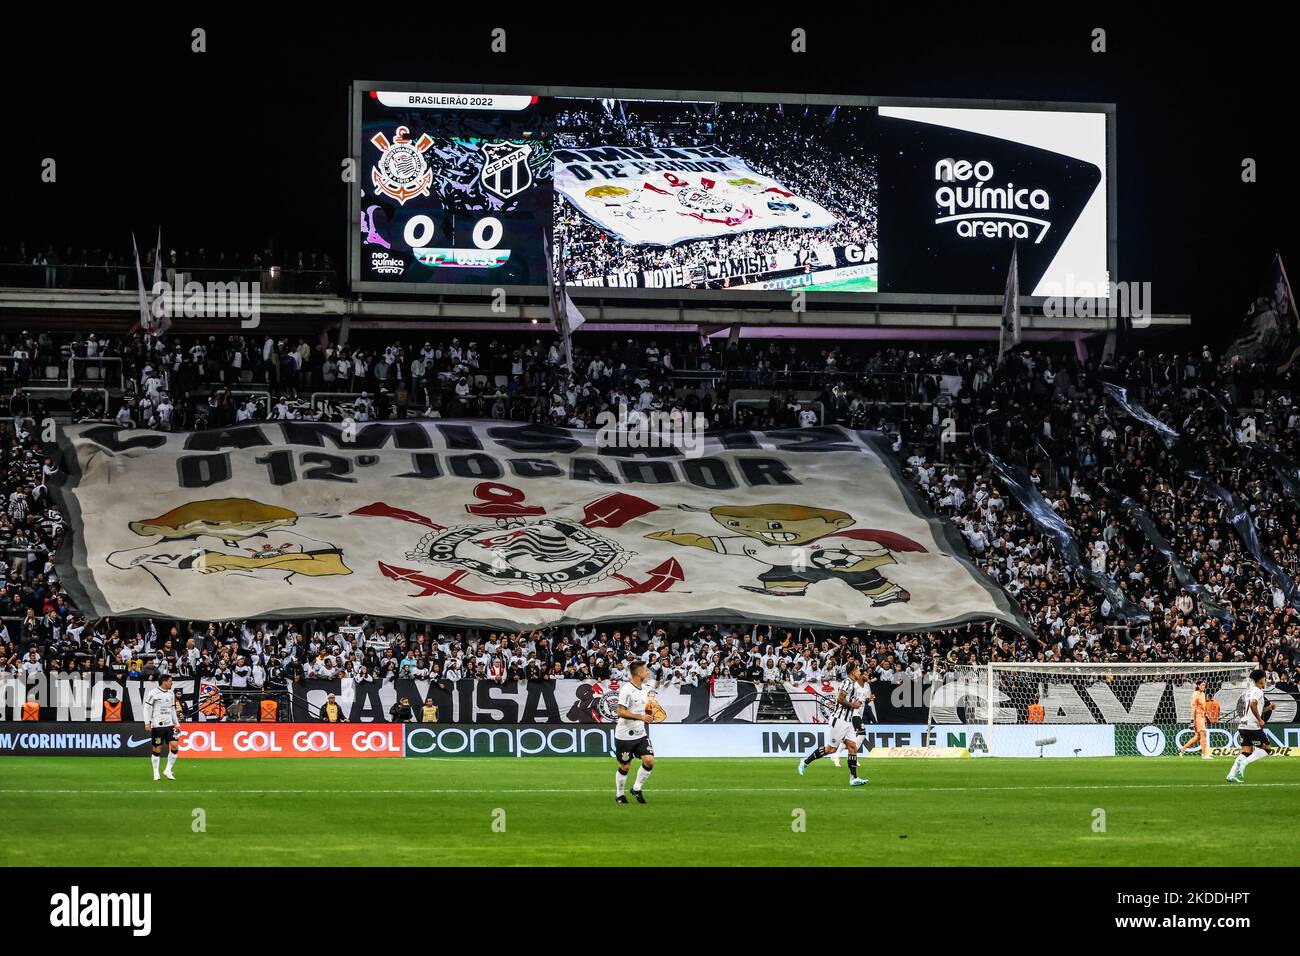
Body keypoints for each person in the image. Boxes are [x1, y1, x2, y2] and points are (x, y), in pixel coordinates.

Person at [798, 660, 870, 786]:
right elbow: (840, 698)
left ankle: (853, 778)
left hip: (847, 721)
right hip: (839, 720)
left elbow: (852, 701)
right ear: (853, 671)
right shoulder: (847, 682)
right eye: (858, 670)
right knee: (830, 749)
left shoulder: (853, 684)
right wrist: (853, 705)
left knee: (852, 747)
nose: (860, 672)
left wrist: (859, 703)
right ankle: (805, 762)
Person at [613, 661, 656, 804]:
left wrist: (649, 715)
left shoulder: (644, 689)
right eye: (645, 670)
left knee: (649, 761)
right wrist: (641, 717)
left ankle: (636, 788)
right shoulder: (626, 689)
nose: (647, 672)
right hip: (625, 735)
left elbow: (644, 708)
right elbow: (620, 711)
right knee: (625, 766)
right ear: (638, 673)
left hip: (640, 733)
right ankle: (619, 794)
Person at [1226, 669, 1275, 783]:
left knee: (1246, 751)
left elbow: (1252, 708)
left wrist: (1268, 708)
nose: (1266, 680)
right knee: (1266, 749)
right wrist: (1260, 719)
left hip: (1243, 725)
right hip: (1252, 726)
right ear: (1261, 679)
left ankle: (1231, 774)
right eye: (1265, 678)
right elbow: (1253, 705)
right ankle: (1245, 763)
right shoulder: (1258, 691)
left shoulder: (1248, 691)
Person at [143, 674, 180, 781]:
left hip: (169, 725)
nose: (171, 683)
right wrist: (147, 722)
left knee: (174, 746)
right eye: (170, 681)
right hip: (157, 725)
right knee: (157, 749)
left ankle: (168, 770)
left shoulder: (170, 694)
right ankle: (156, 773)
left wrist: (176, 724)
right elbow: (146, 708)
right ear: (164, 681)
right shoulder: (153, 693)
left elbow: (173, 709)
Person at [1178, 680, 1212, 760]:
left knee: (1198, 736)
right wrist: (1192, 720)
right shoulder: (1195, 695)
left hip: (1202, 716)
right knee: (1203, 733)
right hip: (1197, 716)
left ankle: (1182, 749)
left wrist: (1206, 716)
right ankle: (1204, 754)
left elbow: (1203, 706)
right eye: (1202, 685)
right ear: (1198, 685)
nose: (1204, 686)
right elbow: (1193, 708)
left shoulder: (1203, 694)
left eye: (1204, 685)